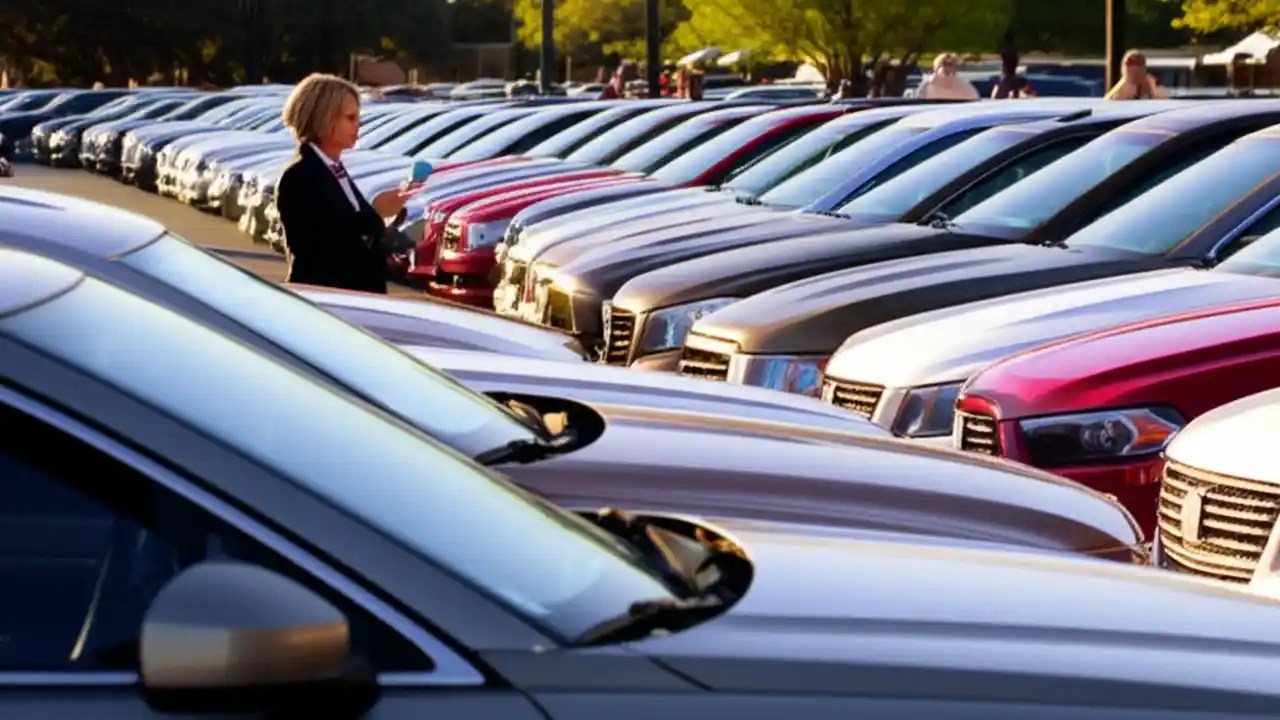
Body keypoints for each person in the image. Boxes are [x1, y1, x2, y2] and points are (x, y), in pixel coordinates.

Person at [274, 73, 423, 294]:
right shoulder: (300, 176)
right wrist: (377, 214)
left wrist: (383, 213)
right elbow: (325, 248)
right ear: (324, 118)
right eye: (350, 118)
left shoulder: (333, 168)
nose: (358, 125)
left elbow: (352, 231)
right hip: (328, 301)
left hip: (355, 298)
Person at [1106, 50, 1170, 99]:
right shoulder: (1117, 93)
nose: (1136, 68)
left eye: (1139, 63)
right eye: (1130, 63)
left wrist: (1152, 91)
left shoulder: (1152, 86)